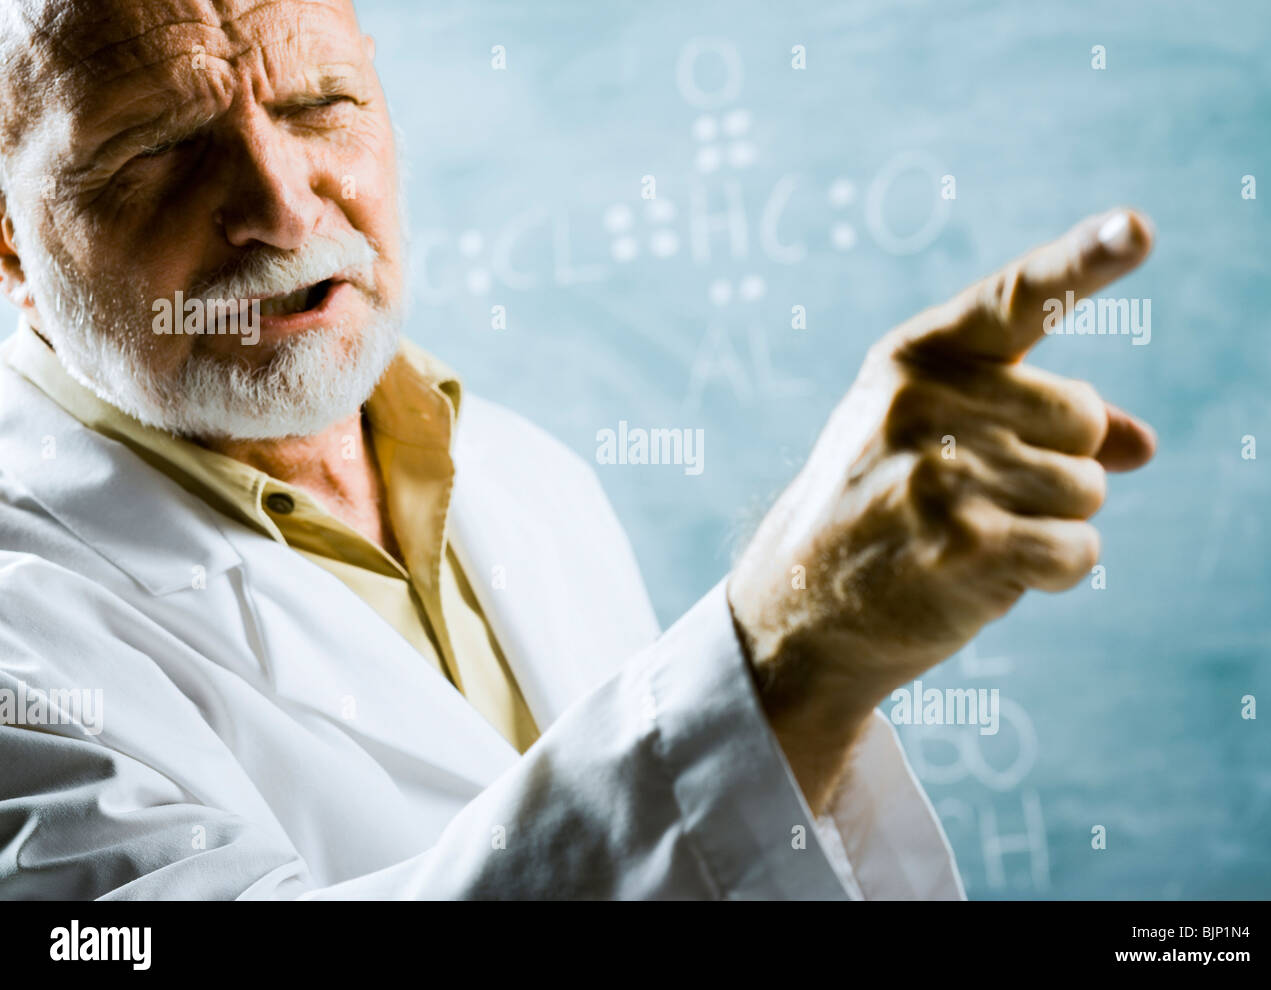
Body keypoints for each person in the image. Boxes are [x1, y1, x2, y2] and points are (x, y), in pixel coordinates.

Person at [0, 0, 1156, 899]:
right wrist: (793, 646)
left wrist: (806, 665)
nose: (285, 206)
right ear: (12, 241)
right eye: (158, 147)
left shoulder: (523, 474)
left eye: (318, 105)